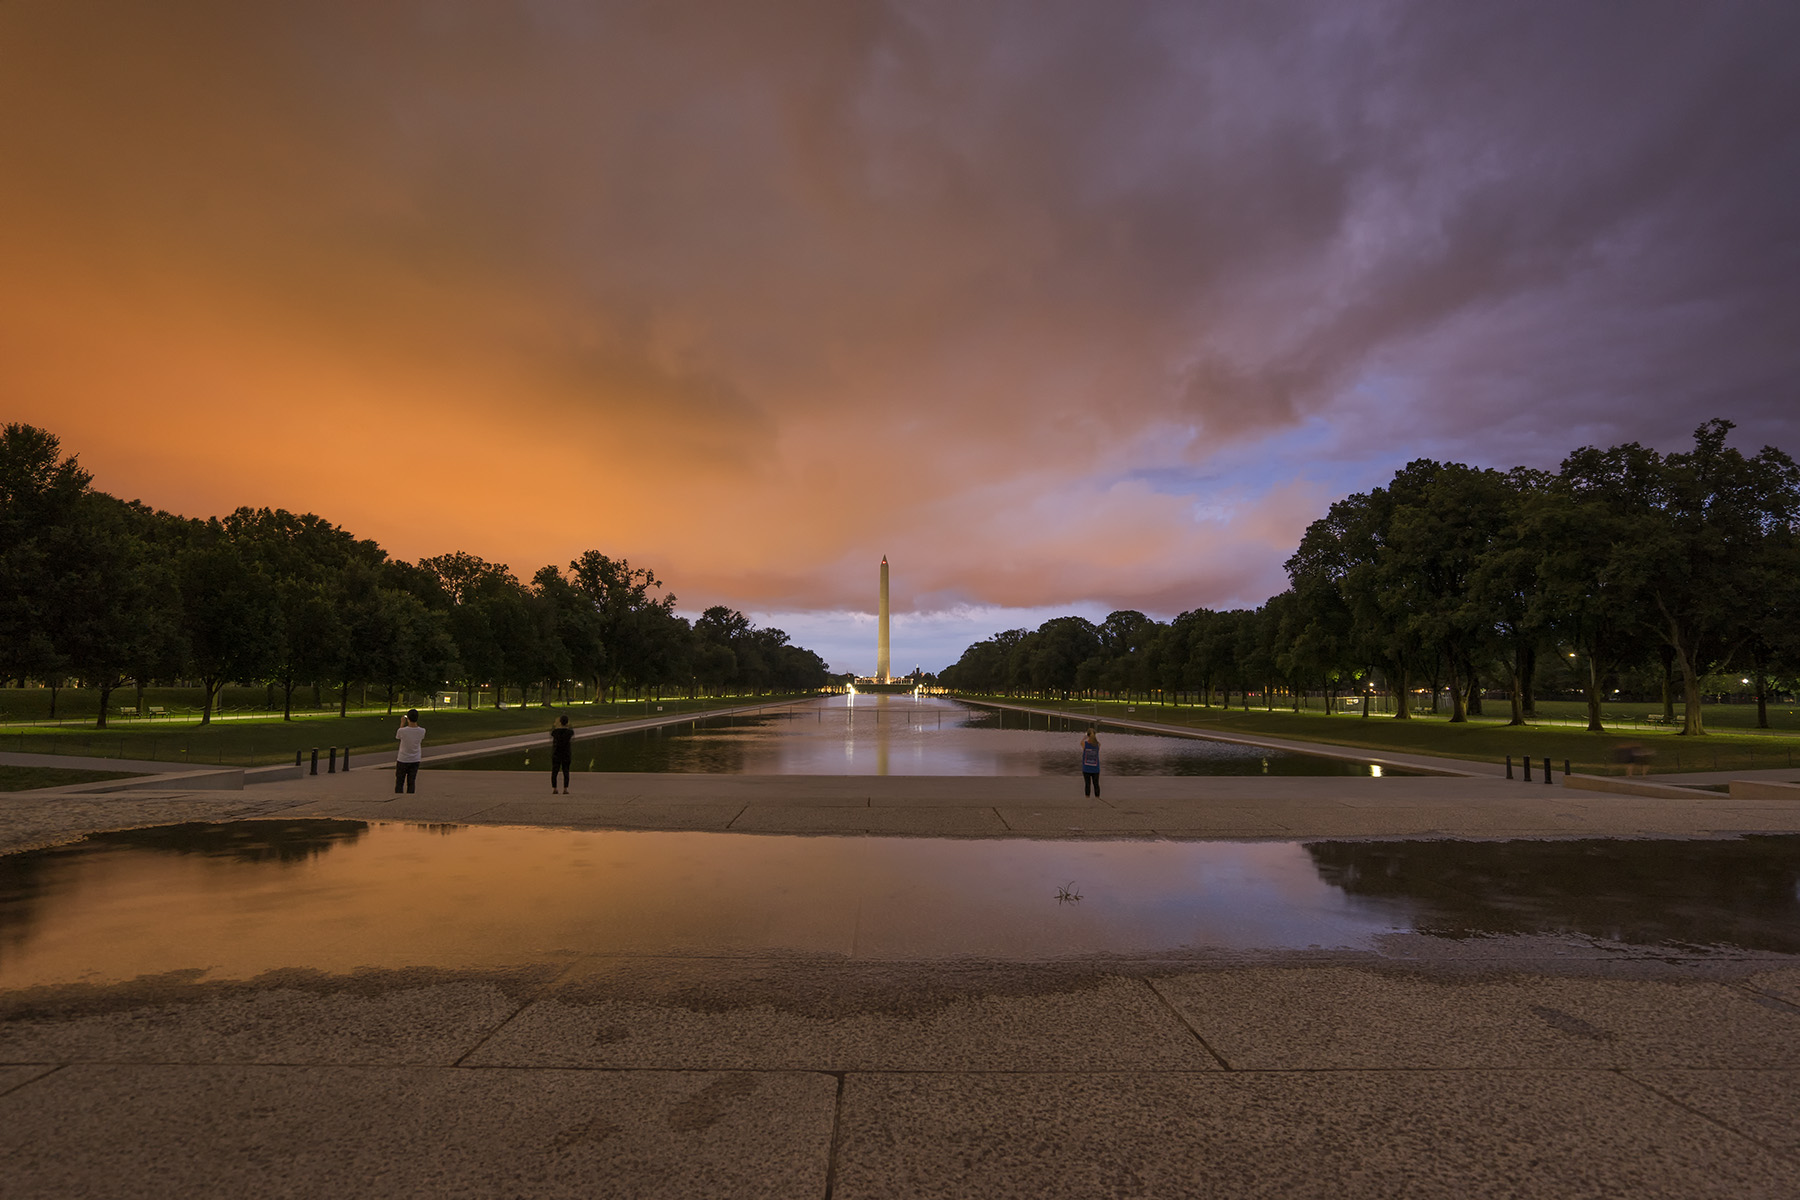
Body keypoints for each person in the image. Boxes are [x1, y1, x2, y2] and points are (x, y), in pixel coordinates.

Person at [394, 709, 426, 794]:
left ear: (407, 718)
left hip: (403, 759)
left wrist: (402, 723)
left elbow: (398, 736)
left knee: (399, 782)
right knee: (411, 782)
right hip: (415, 759)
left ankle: (398, 799)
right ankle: (410, 800)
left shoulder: (402, 730)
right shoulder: (422, 731)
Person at [550, 714, 574, 793]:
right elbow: (572, 730)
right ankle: (565, 788)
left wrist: (555, 725)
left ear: (560, 722)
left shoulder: (555, 732)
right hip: (566, 753)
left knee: (555, 771)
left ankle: (554, 788)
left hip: (556, 753)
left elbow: (551, 731)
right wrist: (569, 725)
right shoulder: (569, 732)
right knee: (566, 771)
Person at [1080, 726, 1101, 797]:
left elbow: (1081, 741)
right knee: (1096, 784)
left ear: (1088, 735)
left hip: (1086, 768)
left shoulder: (1084, 744)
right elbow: (1096, 743)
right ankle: (1097, 797)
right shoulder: (1098, 745)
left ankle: (1087, 798)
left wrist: (1085, 736)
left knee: (1087, 784)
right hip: (1095, 768)